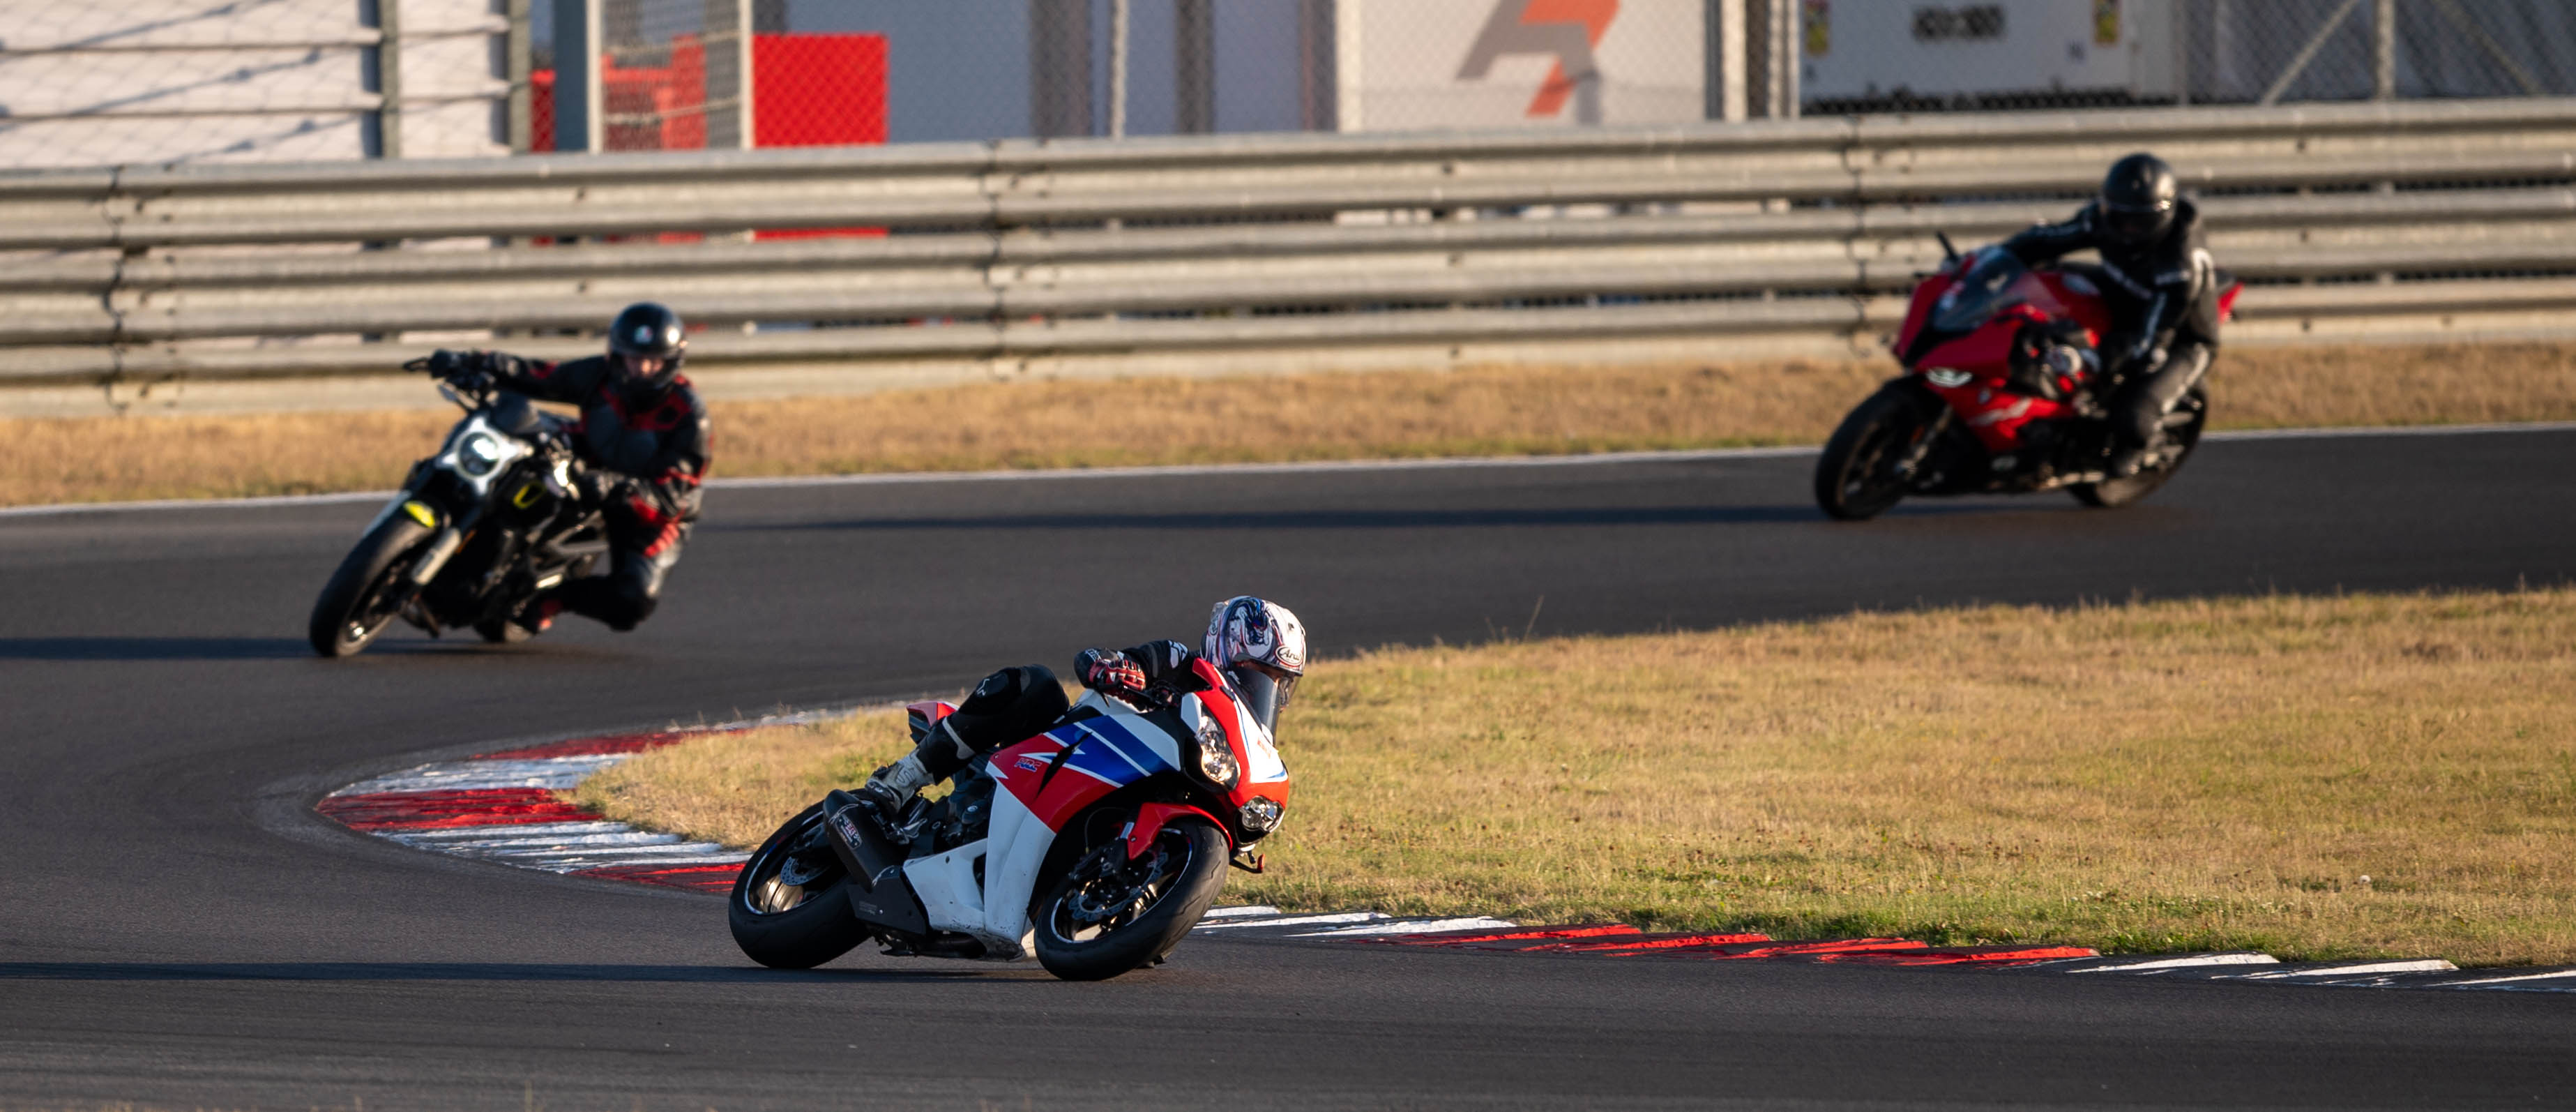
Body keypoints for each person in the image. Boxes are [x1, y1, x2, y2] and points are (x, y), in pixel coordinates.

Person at [853, 596, 1309, 820]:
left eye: (1274, 682)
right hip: (1070, 753)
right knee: (1036, 685)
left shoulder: (1244, 741)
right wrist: (1116, 669)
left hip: (1129, 790)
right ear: (1228, 649)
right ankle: (902, 780)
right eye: (1255, 673)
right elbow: (1096, 659)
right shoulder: (1180, 662)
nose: (1263, 688)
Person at [422, 301, 709, 633]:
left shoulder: (689, 415)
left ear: (671, 362)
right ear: (618, 356)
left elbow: (675, 493)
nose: (642, 369)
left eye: (653, 361)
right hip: (591, 460)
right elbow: (540, 375)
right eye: (634, 358)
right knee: (518, 458)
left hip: (649, 508)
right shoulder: (599, 375)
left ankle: (551, 600)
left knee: (633, 600)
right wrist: (470, 361)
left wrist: (619, 488)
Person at [2000, 152, 2222, 477]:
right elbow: (2050, 239)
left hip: (2180, 334)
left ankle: (2137, 447)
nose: (2128, 229)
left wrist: (2099, 360)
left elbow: (2150, 337)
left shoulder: (2180, 264)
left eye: (2139, 222)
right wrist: (1995, 257)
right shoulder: (2103, 219)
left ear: (2162, 216)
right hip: (2124, 295)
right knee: (2050, 278)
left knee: (2136, 415)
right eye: (2121, 218)